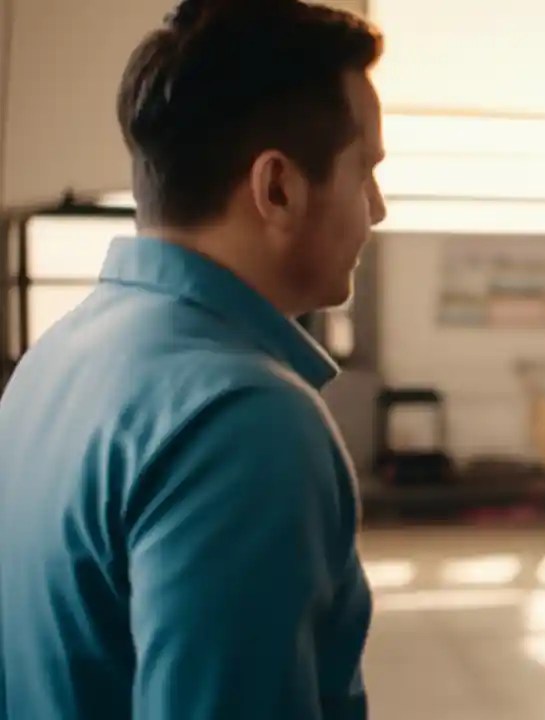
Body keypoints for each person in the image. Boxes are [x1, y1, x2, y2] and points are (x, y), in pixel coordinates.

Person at [0, 1, 386, 718]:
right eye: (364, 171)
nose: (378, 208)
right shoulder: (243, 418)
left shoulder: (58, 356)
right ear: (278, 188)